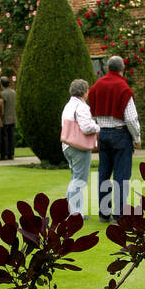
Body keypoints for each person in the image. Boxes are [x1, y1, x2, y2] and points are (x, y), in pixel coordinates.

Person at [89, 53, 141, 222]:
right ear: (122, 69)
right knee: (121, 175)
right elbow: (131, 118)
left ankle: (104, 213)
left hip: (103, 132)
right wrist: (137, 138)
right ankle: (119, 214)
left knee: (104, 173)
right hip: (120, 133)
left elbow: (93, 112)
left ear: (107, 68)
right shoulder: (123, 88)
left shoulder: (96, 86)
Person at [60, 77, 99, 216]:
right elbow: (87, 127)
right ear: (84, 92)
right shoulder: (82, 106)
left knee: (75, 177)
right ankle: (75, 213)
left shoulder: (68, 105)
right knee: (79, 180)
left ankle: (68, 209)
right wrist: (97, 127)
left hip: (67, 146)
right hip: (79, 147)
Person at [0, 75, 16, 160]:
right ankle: (11, 154)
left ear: (1, 84)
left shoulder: (2, 94)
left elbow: (1, 107)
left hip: (5, 118)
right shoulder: (14, 93)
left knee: (4, 137)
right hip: (13, 118)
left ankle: (5, 154)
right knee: (11, 137)